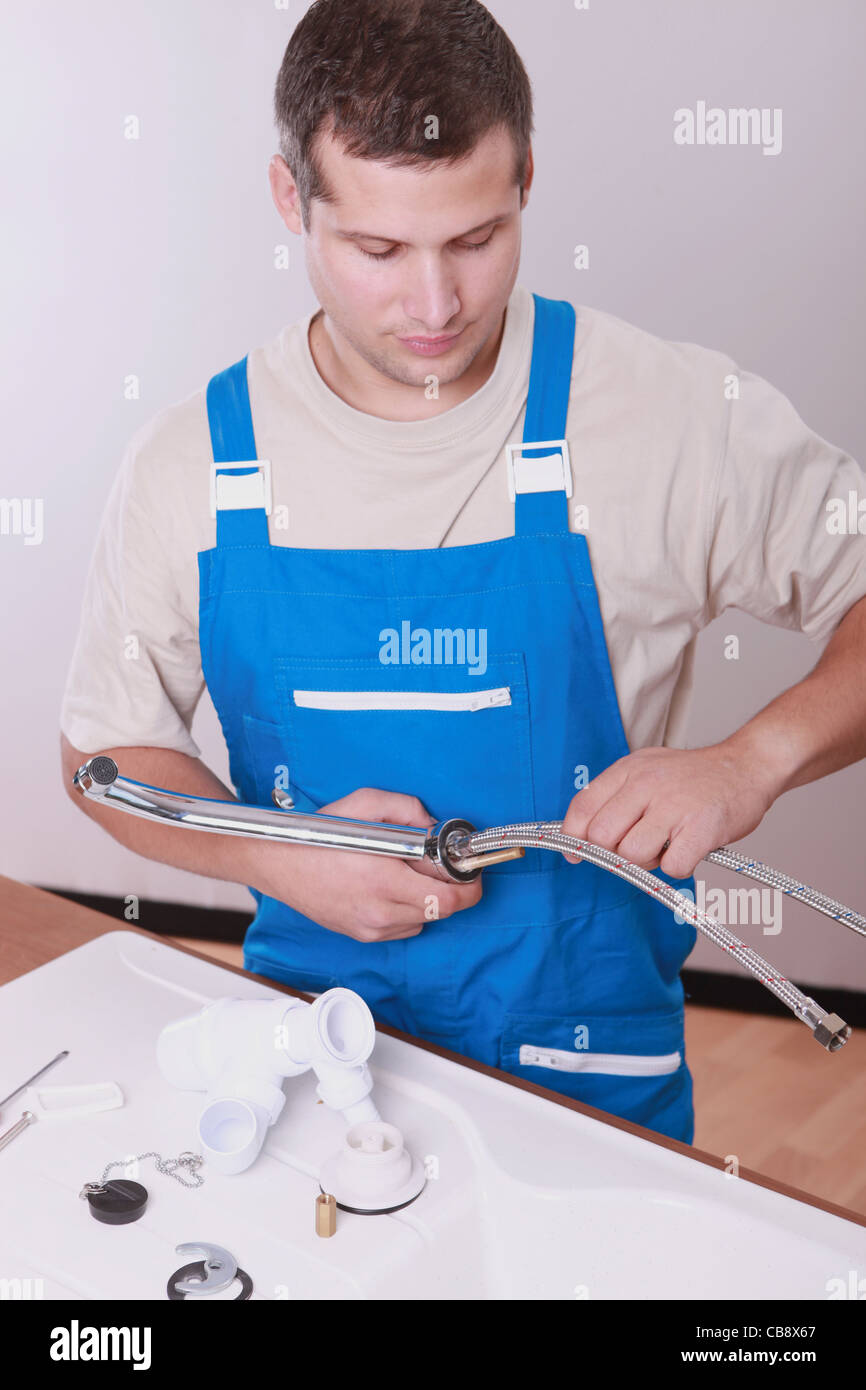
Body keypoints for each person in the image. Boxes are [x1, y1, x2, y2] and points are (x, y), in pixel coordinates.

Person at [60, 0, 866, 1145]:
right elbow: (101, 759)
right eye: (379, 251)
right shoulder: (194, 462)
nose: (434, 306)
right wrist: (281, 850)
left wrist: (752, 759)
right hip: (312, 1067)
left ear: (527, 175)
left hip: (589, 1081)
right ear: (292, 200)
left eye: (475, 239)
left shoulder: (667, 415)